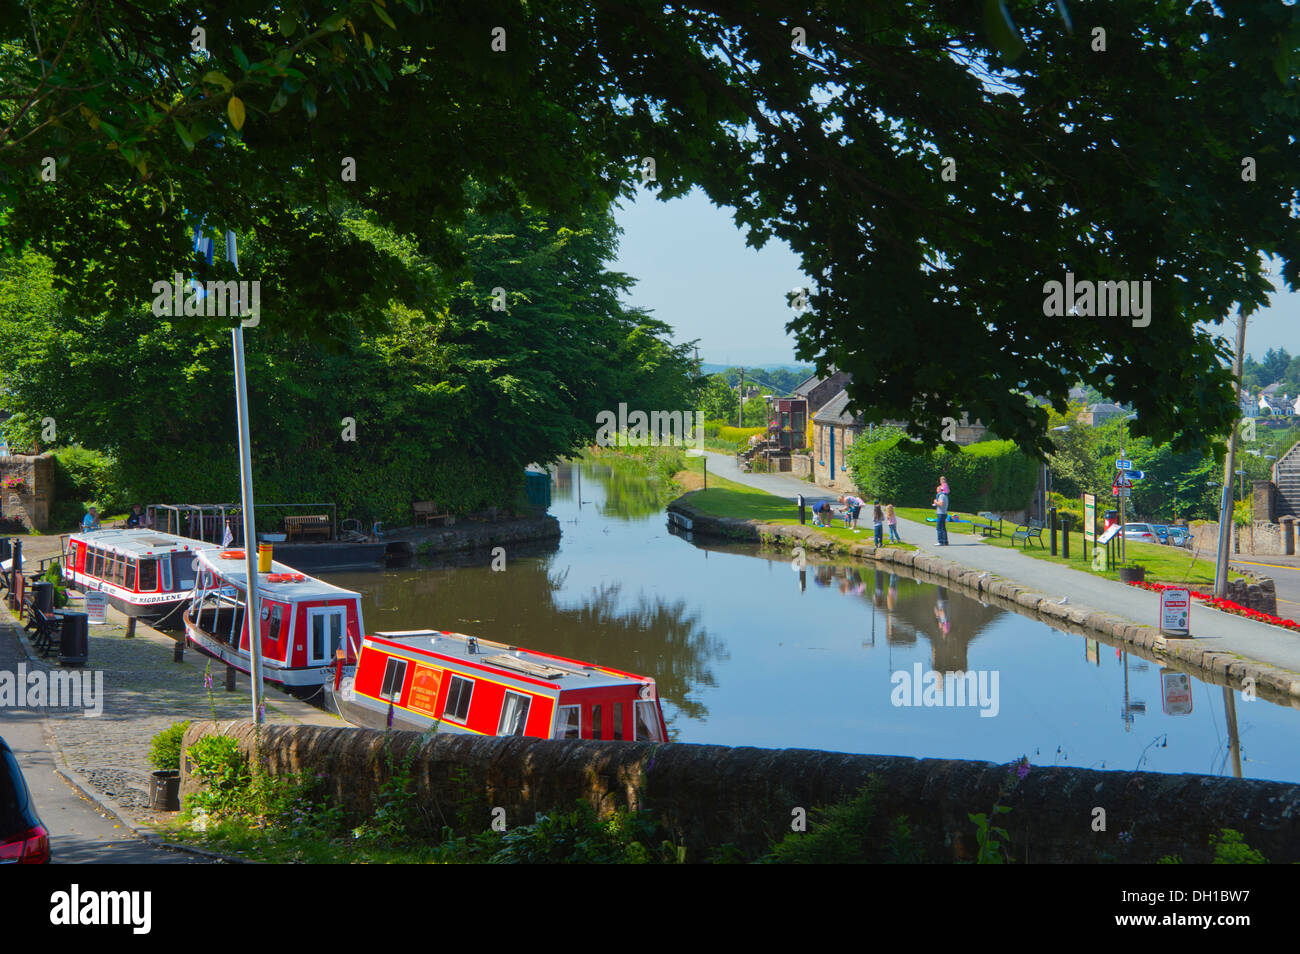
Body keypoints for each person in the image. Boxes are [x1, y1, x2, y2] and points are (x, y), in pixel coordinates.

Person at [933, 478, 949, 545]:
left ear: (940, 489)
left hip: (941, 513)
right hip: (944, 513)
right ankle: (945, 541)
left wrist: (936, 502)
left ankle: (940, 541)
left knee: (939, 527)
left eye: (937, 489)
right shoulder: (944, 495)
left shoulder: (941, 496)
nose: (936, 490)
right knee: (943, 528)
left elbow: (941, 503)